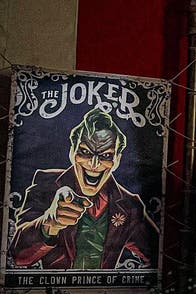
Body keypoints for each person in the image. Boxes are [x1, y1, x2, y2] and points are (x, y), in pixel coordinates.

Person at [9, 108, 159, 271]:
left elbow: (162, 255)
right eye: (85, 152)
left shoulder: (130, 206)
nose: (94, 164)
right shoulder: (46, 184)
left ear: (117, 160)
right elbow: (17, 257)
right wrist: (49, 224)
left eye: (106, 156)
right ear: (72, 151)